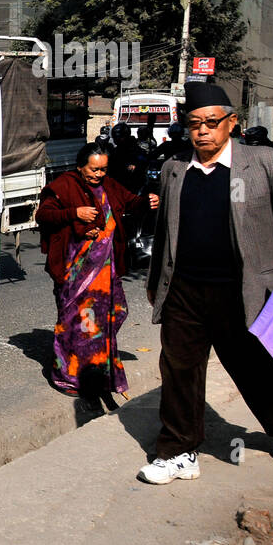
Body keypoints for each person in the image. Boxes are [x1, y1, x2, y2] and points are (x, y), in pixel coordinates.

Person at [140, 82, 273, 483]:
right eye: (194, 124)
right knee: (179, 371)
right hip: (184, 292)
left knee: (257, 369)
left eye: (211, 122)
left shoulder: (264, 164)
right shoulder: (174, 170)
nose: (203, 131)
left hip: (243, 292)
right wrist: (156, 283)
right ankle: (178, 451)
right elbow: (165, 233)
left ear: (231, 123)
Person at [36, 142, 159, 399]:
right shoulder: (63, 186)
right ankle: (68, 378)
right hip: (74, 274)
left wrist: (147, 201)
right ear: (80, 167)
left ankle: (96, 374)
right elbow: (44, 216)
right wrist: (75, 213)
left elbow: (131, 203)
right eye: (93, 169)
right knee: (75, 325)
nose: (98, 174)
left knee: (109, 318)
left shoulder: (109, 186)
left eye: (103, 169)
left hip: (104, 275)